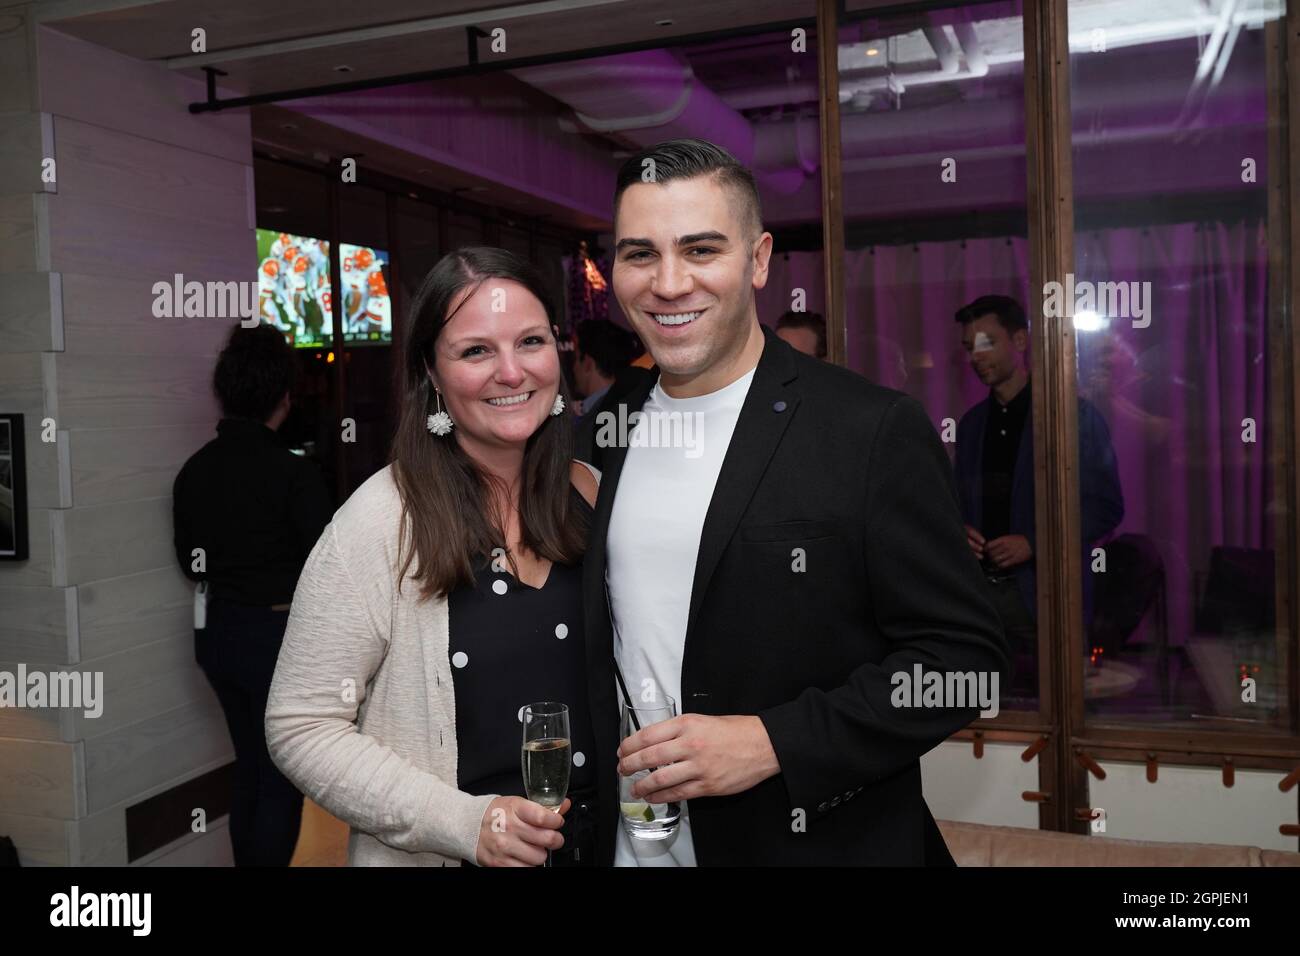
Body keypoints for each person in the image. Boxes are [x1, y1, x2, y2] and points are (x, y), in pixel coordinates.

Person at [583, 138, 1010, 866]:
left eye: (701, 250)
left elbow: (962, 662)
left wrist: (774, 742)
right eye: (639, 254)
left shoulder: (867, 429)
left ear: (757, 260)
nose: (669, 282)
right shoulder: (594, 429)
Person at [265, 247, 601, 867]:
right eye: (476, 351)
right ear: (432, 373)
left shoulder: (596, 495)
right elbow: (300, 725)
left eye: (530, 341)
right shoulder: (377, 526)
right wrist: (461, 823)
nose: (511, 372)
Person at [172, 323, 333, 866]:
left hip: (218, 635)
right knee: (281, 774)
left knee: (250, 766)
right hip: (274, 638)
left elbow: (188, 561)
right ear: (285, 396)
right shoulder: (295, 475)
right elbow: (325, 568)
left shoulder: (193, 471)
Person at [952, 294, 1124, 699]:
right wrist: (960, 531)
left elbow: (1107, 507)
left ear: (1021, 341)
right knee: (992, 712)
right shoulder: (972, 424)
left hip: (1047, 594)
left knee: (1062, 706)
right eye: (968, 347)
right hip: (981, 598)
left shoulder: (1070, 416)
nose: (976, 357)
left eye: (987, 343)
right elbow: (956, 502)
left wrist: (1033, 542)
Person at [571, 319, 640, 463]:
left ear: (588, 363)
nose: (573, 367)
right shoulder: (634, 404)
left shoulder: (601, 419)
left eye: (576, 358)